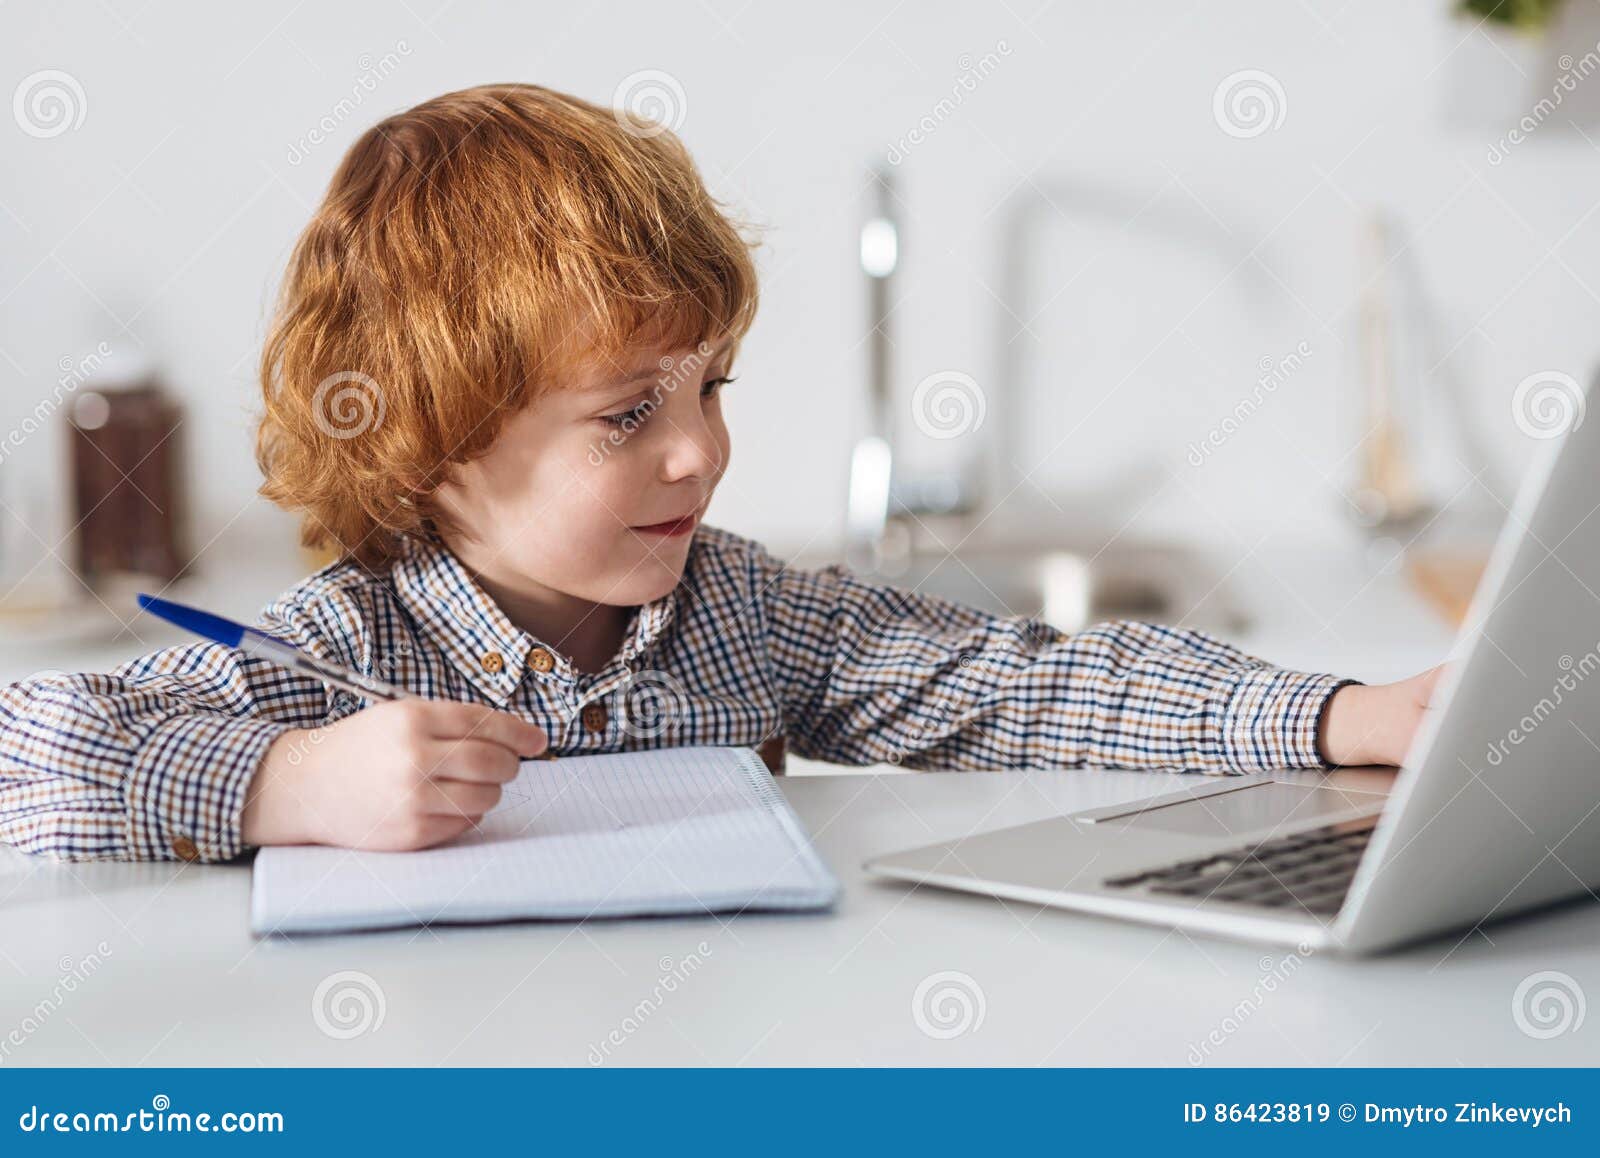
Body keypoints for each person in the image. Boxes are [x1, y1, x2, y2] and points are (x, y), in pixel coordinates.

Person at [0, 84, 1440, 864]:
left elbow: (1024, 681)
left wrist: (1337, 711)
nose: (702, 449)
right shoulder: (330, 653)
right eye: (627, 414)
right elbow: (25, 750)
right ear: (433, 443)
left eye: (711, 387)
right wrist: (284, 782)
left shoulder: (745, 613)